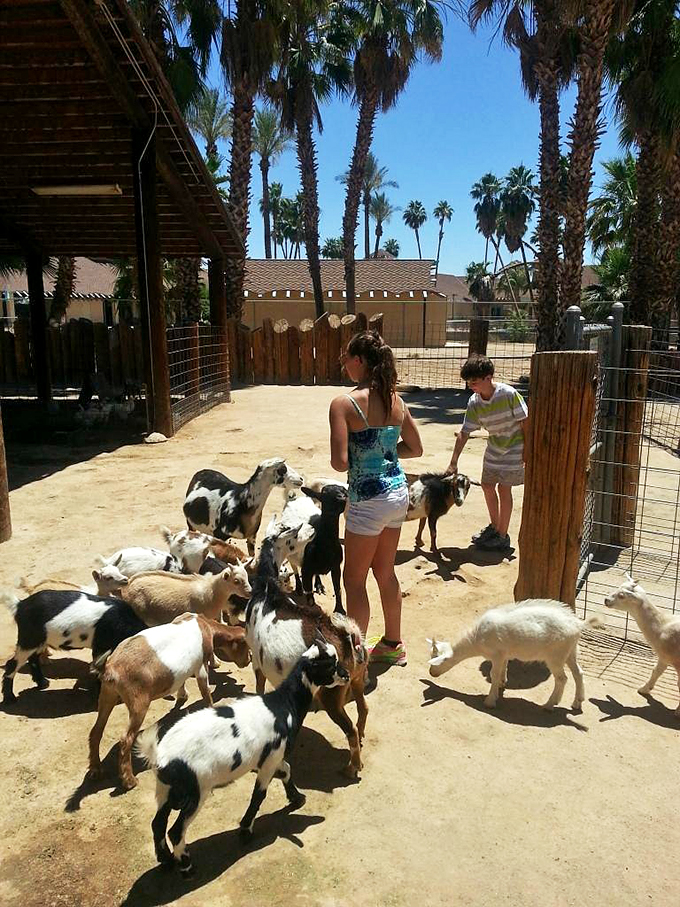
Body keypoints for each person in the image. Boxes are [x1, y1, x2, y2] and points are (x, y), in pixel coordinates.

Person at [329, 330, 423, 666]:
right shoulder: (397, 401)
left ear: (360, 360)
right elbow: (416, 448)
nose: (344, 365)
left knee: (353, 580)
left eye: (347, 358)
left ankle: (357, 659)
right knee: (385, 572)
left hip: (367, 500)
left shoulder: (344, 404)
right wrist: (384, 456)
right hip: (398, 494)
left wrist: (362, 461)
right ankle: (393, 645)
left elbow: (339, 461)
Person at [446, 354, 528, 551]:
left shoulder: (508, 394)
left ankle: (502, 534)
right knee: (487, 485)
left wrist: (528, 451)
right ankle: (494, 526)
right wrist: (453, 461)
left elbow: (525, 423)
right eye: (469, 382)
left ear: (488, 377)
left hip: (515, 448)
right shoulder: (474, 402)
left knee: (504, 488)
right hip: (494, 447)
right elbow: (464, 432)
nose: (471, 385)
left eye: (475, 381)